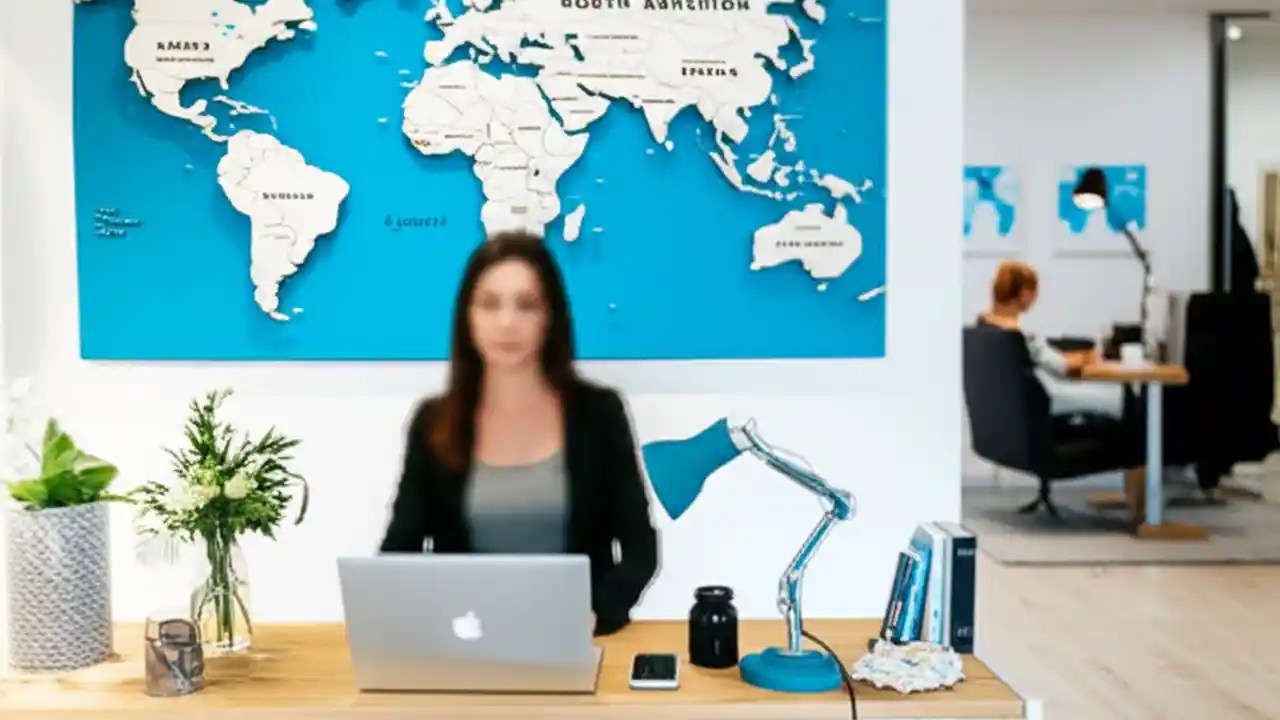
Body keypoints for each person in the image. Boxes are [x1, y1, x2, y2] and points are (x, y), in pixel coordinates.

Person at [379, 231, 659, 636]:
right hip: (465, 645)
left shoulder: (598, 414)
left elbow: (639, 549)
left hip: (576, 641)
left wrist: (598, 613)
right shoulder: (433, 421)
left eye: (527, 305)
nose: (507, 322)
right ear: (467, 317)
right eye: (490, 304)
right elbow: (400, 551)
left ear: (550, 317)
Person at [978, 260, 1125, 420]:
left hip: (1009, 407)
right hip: (1043, 400)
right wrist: (1090, 357)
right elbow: (1061, 366)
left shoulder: (982, 329)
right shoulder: (1018, 335)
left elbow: (1047, 359)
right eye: (1034, 290)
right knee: (1117, 396)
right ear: (1025, 293)